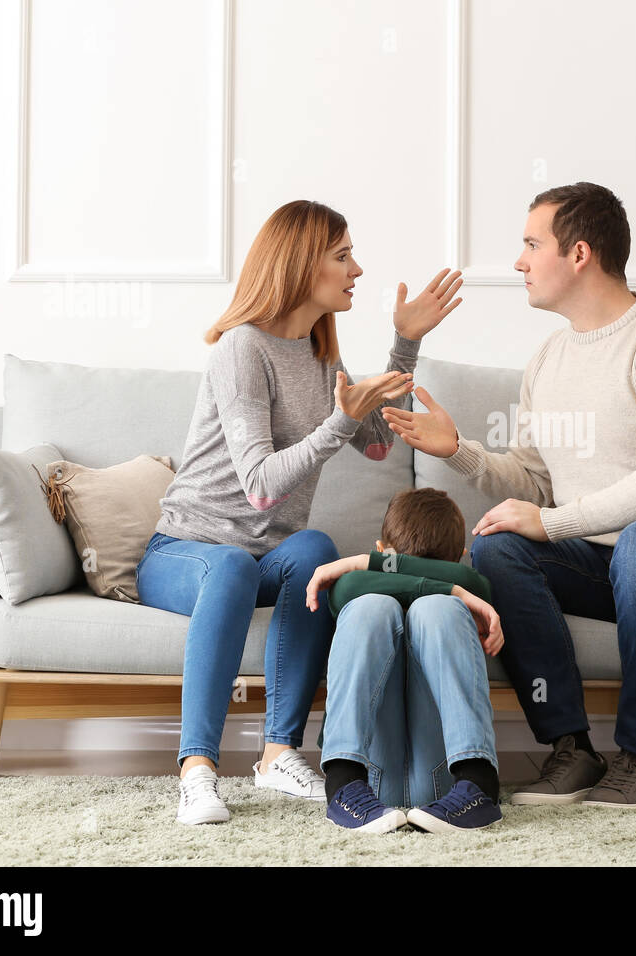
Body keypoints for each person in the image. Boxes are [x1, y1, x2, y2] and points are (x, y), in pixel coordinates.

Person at [381, 182, 636, 809]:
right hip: (605, 564)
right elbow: (534, 481)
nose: (520, 262)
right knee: (499, 547)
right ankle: (570, 749)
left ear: (579, 252)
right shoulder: (549, 357)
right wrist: (461, 452)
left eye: (532, 244)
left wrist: (554, 523)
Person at [134, 199, 463, 825]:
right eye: (342, 256)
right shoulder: (242, 349)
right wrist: (340, 420)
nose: (357, 269)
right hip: (185, 552)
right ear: (298, 265)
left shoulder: (319, 353)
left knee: (315, 551)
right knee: (230, 565)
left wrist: (406, 343)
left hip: (267, 557)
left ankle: (277, 755)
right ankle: (197, 770)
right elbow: (259, 485)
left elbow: (373, 440)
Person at [305, 488, 504, 833]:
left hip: (449, 778)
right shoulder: (457, 586)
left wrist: (360, 561)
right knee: (371, 606)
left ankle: (479, 783)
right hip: (367, 773)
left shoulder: (471, 587)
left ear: (380, 551)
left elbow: (469, 583)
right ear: (461, 555)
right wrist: (451, 588)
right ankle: (342, 781)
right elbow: (345, 590)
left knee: (437, 608)